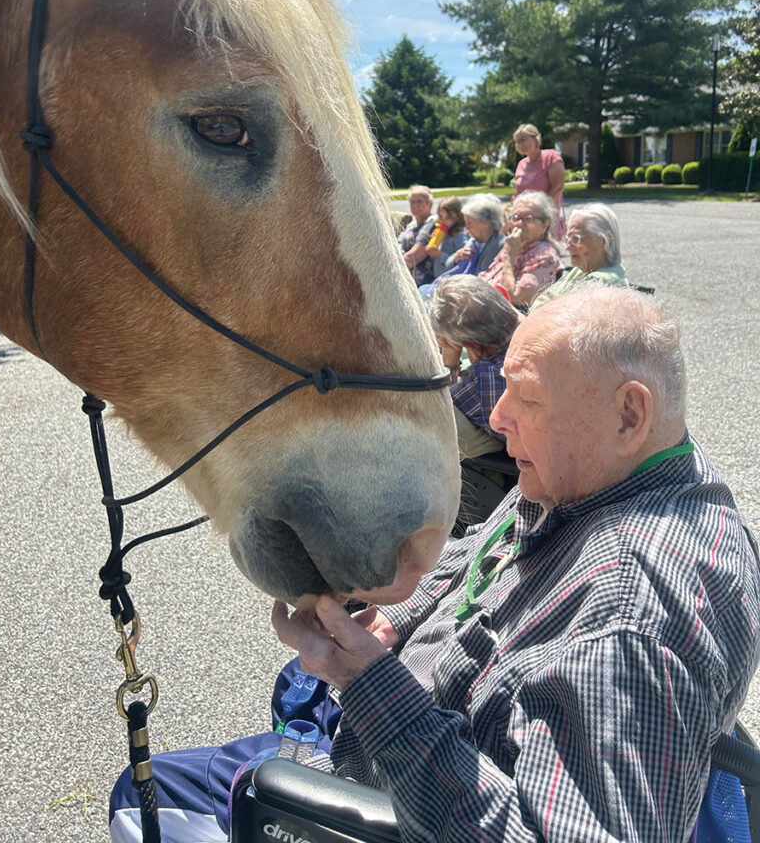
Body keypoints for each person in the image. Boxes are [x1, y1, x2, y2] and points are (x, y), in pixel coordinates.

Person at [110, 287, 760, 843]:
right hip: (404, 729)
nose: (497, 417)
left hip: (397, 785)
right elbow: (485, 561)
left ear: (629, 413)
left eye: (524, 399)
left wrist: (366, 681)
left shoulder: (629, 609)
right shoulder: (605, 475)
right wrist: (392, 596)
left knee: (141, 798)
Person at [427, 276, 521, 457]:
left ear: (473, 348)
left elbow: (437, 407)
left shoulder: (482, 381)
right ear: (502, 294)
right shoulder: (554, 317)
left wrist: (450, 360)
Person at [531, 202, 629, 310]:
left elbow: (552, 311)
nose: (568, 247)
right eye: (567, 239)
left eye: (575, 239)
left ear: (603, 241)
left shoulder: (601, 282)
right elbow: (543, 300)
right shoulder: (581, 271)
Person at [480, 190, 561, 309]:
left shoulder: (544, 254)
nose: (519, 224)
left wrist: (509, 255)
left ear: (545, 225)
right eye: (516, 217)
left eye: (528, 219)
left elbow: (515, 297)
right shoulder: (515, 244)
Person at [513, 123, 567, 239]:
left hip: (543, 219)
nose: (520, 144)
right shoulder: (521, 164)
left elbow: (558, 187)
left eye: (523, 140)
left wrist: (539, 211)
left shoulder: (550, 157)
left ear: (536, 138)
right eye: (517, 142)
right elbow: (517, 193)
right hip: (524, 220)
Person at [397, 184, 436, 287]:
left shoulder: (433, 223)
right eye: (412, 202)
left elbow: (416, 255)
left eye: (419, 201)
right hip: (404, 277)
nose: (415, 205)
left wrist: (392, 266)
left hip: (420, 282)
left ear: (430, 204)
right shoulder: (411, 225)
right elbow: (397, 245)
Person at [425, 196, 470, 279]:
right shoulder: (445, 231)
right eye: (441, 217)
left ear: (458, 216)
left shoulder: (459, 234)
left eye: (448, 217)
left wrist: (439, 255)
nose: (443, 221)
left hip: (452, 279)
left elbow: (462, 259)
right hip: (439, 277)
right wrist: (434, 242)